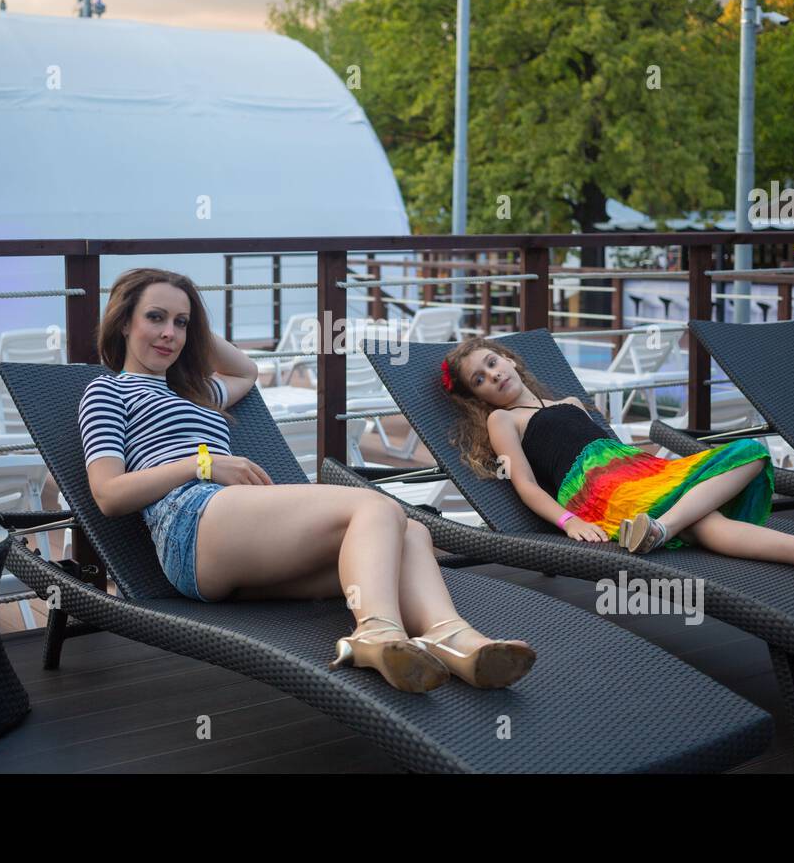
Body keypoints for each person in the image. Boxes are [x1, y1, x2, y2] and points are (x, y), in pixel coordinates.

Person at [77, 268, 536, 693]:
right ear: (122, 323)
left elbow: (246, 371)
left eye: (180, 323)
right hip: (189, 524)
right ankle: (375, 633)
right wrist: (204, 465)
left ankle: (455, 640)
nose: (168, 334)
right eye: (154, 318)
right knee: (376, 507)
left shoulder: (199, 392)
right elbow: (108, 495)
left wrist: (192, 323)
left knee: (409, 530)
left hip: (236, 548)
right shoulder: (106, 391)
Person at [441, 336, 794, 584]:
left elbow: (618, 451)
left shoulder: (570, 400)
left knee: (750, 452)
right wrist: (566, 521)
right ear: (478, 398)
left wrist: (655, 465)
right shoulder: (506, 422)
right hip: (596, 492)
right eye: (479, 379)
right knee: (701, 521)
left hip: (638, 471)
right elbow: (525, 485)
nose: (491, 376)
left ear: (510, 359)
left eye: (492, 363)